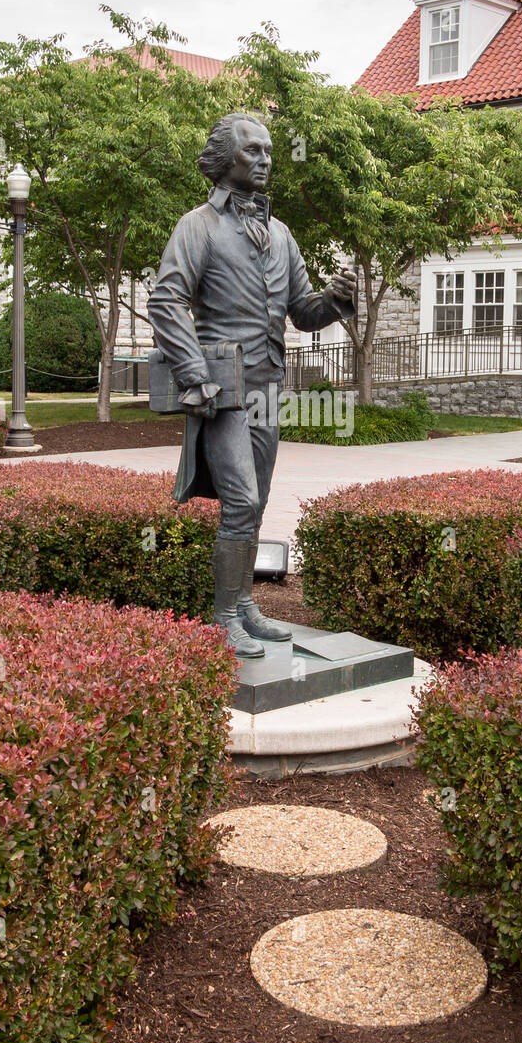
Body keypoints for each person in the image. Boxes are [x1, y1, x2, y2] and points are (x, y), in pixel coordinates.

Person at [148, 112, 356, 657]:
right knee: (239, 497)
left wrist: (333, 302)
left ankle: (243, 606)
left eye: (269, 152)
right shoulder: (198, 227)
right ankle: (222, 617)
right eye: (254, 151)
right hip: (223, 389)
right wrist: (194, 374)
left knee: (256, 501)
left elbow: (301, 311)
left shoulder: (282, 234)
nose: (265, 160)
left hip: (269, 387)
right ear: (226, 159)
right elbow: (165, 300)